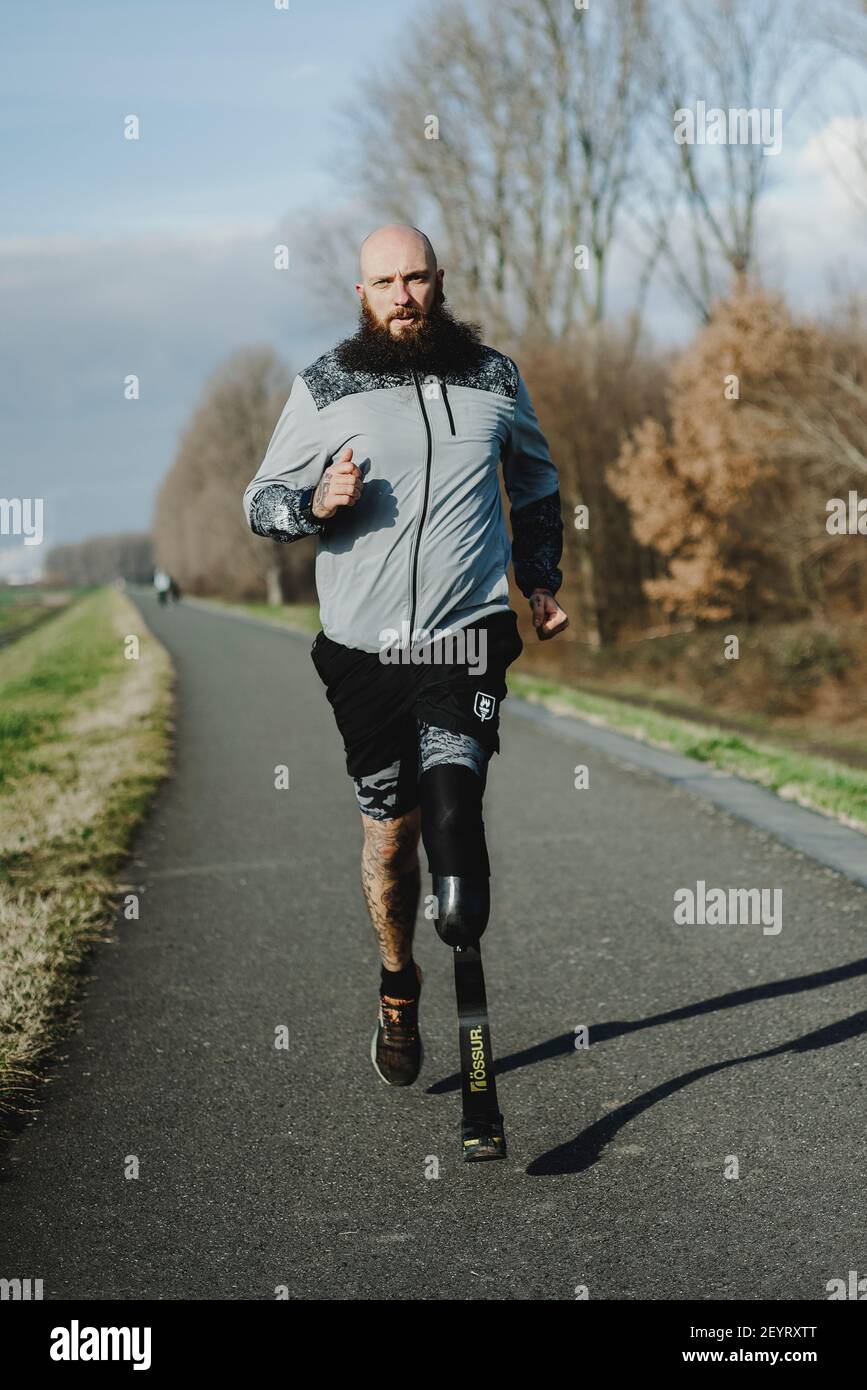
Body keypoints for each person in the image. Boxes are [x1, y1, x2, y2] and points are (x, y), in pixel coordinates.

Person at [243, 224, 568, 1089]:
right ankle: (398, 980)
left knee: (454, 811)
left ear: (439, 280)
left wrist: (538, 580)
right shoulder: (326, 385)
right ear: (361, 293)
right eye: (383, 282)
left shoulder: (492, 376)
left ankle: (471, 1016)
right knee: (391, 845)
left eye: (416, 278)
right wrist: (314, 500)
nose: (402, 295)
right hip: (363, 652)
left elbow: (535, 481)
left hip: (466, 637)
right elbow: (260, 502)